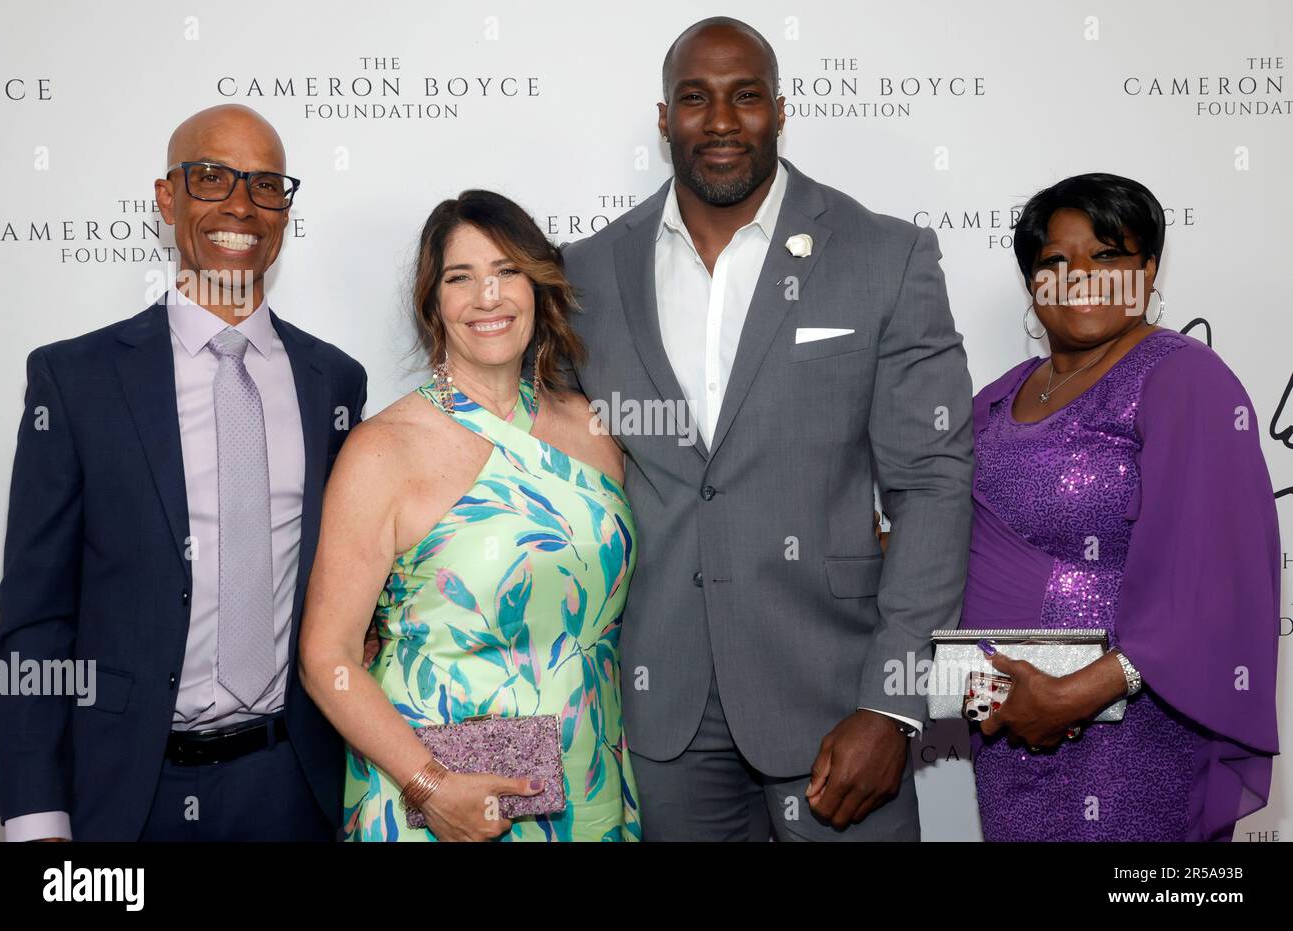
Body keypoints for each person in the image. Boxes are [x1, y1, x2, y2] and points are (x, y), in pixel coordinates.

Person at [561, 17, 974, 840]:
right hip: (657, 713)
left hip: (839, 701)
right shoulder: (586, 272)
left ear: (781, 111)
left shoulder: (884, 255)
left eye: (745, 96)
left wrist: (893, 704)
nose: (720, 121)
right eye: (694, 99)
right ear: (663, 117)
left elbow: (932, 483)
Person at [0, 104, 368, 841]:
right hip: (126, 797)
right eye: (211, 177)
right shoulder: (76, 380)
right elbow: (35, 622)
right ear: (167, 199)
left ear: (285, 211)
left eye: (265, 185)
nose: (240, 204)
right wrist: (37, 821)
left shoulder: (335, 383)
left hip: (294, 788)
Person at [299, 189, 641, 841]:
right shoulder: (383, 449)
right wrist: (433, 785)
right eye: (462, 277)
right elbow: (326, 654)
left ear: (537, 287)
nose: (489, 296)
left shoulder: (593, 429)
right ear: (433, 302)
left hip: (588, 778)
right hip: (432, 797)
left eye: (507, 271)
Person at [959, 172, 1280, 841]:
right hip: (1009, 729)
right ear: (1032, 283)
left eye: (1107, 256)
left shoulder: (1182, 376)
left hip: (1127, 729)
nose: (1079, 275)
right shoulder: (998, 396)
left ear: (1149, 269)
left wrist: (1077, 692)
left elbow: (1218, 576)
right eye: (1054, 260)